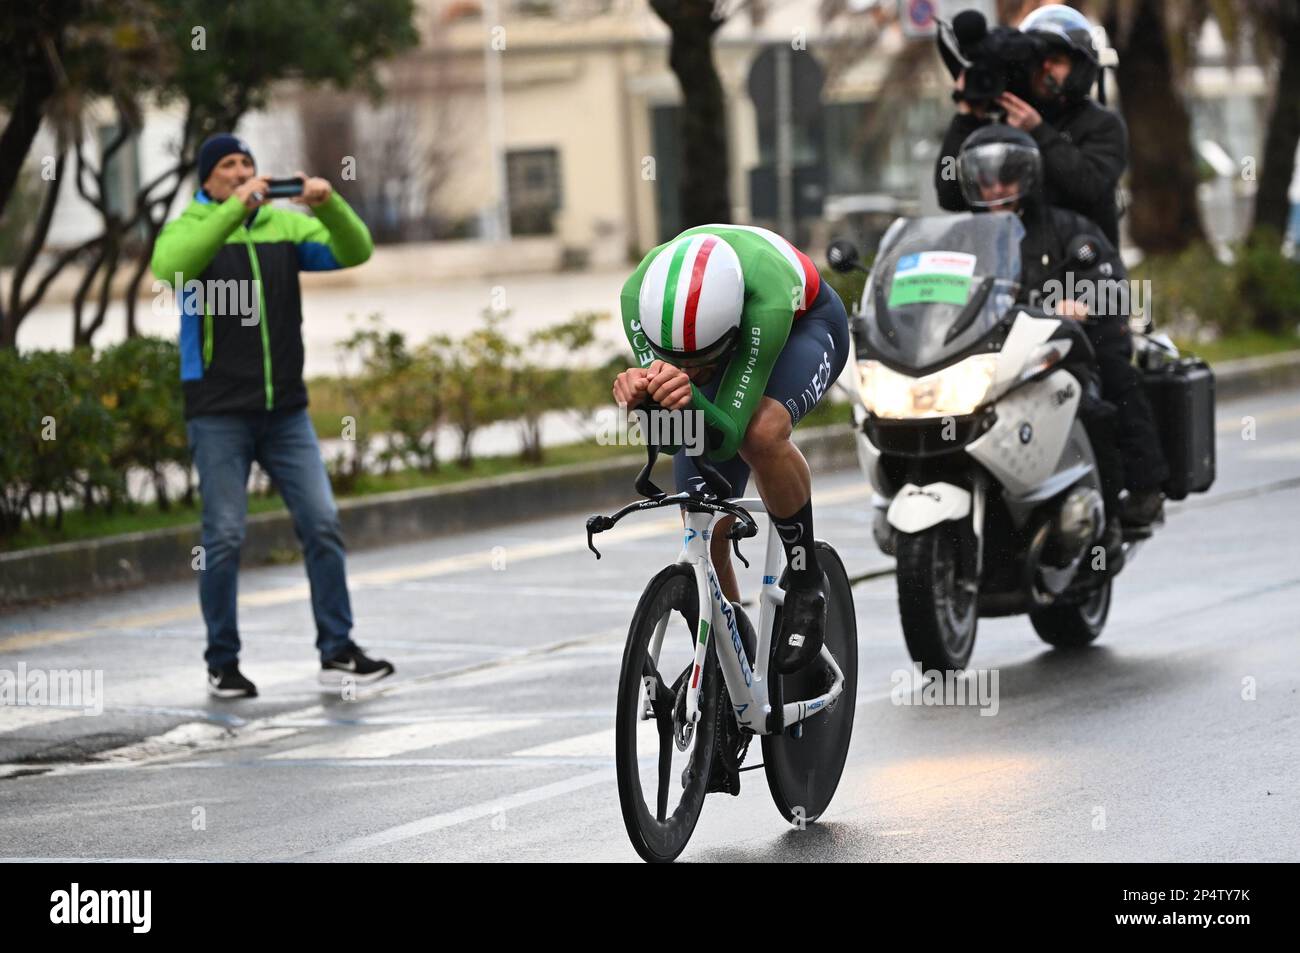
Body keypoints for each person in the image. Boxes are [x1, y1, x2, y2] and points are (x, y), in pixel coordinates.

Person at [152, 133, 394, 698]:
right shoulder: (191, 226)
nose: (240, 171)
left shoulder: (284, 228)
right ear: (208, 179)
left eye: (247, 163)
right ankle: (223, 662)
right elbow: (171, 267)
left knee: (323, 524)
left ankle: (338, 651)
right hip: (217, 410)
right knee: (225, 536)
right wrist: (236, 209)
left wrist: (327, 204)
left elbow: (356, 251)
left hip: (285, 410)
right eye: (228, 166)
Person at [611, 225, 850, 674]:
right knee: (703, 517)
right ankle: (729, 652)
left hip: (803, 326)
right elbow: (674, 435)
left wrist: (685, 389)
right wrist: (643, 401)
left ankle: (805, 580)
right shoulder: (635, 300)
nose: (688, 372)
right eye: (674, 360)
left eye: (698, 364)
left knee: (761, 435)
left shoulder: (768, 301)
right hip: (715, 339)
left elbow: (729, 437)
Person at [957, 124, 1169, 542]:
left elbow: (1109, 286)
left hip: (1051, 357)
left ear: (1028, 177)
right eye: (987, 177)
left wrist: (1079, 305)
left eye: (1007, 175)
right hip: (987, 362)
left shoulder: (1070, 229)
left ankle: (1111, 516)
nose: (996, 186)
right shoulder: (964, 239)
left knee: (1102, 396)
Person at [936, 4, 1127, 246]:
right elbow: (949, 194)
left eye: (1056, 61)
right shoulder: (998, 125)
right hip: (1009, 270)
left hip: (1082, 271)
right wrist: (966, 118)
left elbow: (1091, 187)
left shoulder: (1102, 124)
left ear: (1079, 68)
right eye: (1040, 62)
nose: (1045, 69)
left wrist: (1037, 131)